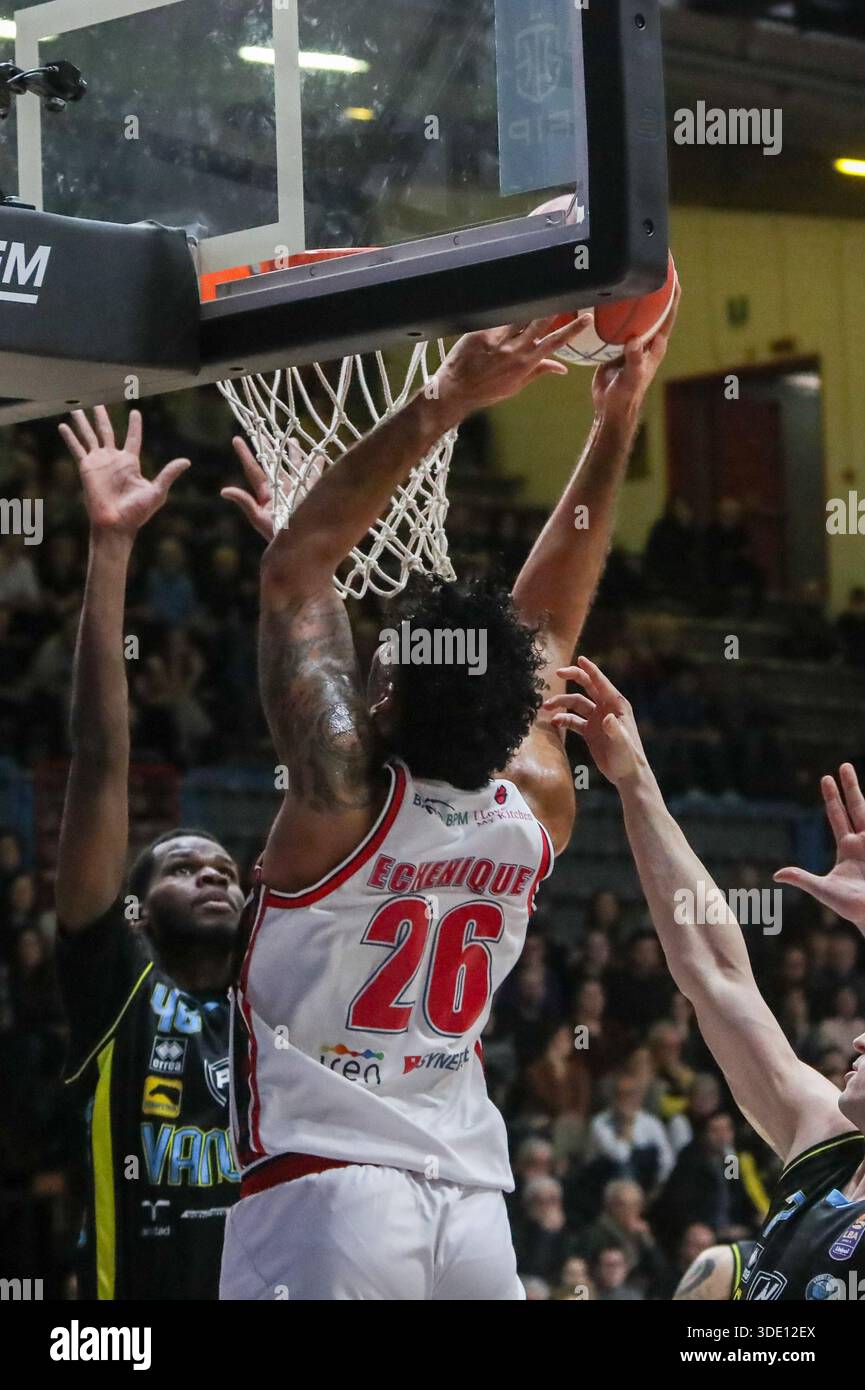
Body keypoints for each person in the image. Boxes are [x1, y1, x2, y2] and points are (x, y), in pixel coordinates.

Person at [219, 298, 680, 1301]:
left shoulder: (338, 802)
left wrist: (442, 399)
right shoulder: (535, 804)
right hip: (471, 1206)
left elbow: (296, 572)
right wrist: (618, 413)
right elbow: (544, 634)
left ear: (378, 695)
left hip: (328, 1195)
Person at [546, 659, 865, 1301]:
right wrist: (636, 782)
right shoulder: (826, 1139)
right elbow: (717, 976)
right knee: (720, 1273)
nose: (858, 1044)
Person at [54, 408, 246, 1300]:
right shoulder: (118, 985)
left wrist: (302, 571)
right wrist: (111, 549)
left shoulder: (275, 988)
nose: (212, 874)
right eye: (181, 867)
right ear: (132, 912)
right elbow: (101, 769)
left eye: (224, 870)